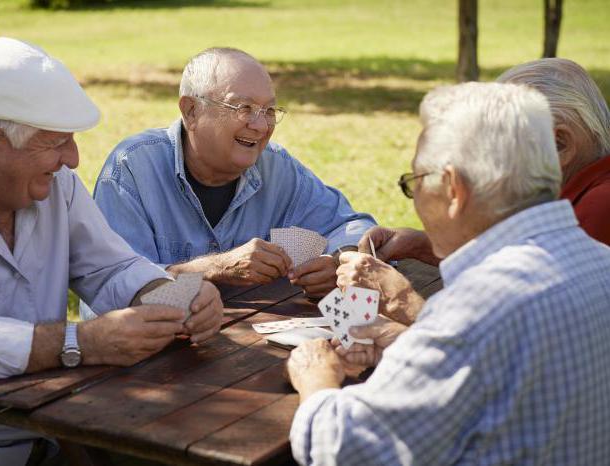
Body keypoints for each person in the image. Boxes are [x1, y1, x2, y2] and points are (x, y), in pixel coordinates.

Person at [0, 38, 223, 466]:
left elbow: (111, 267)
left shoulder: (55, 185)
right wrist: (78, 342)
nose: (73, 159)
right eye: (55, 143)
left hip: (47, 427)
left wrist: (166, 293)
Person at [287, 82, 610, 465]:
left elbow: (341, 448)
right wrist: (410, 343)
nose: (418, 201)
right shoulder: (599, 260)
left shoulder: (476, 306)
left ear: (454, 189)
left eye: (415, 183)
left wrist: (315, 375)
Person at [90, 47, 375, 298]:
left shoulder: (276, 167)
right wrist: (215, 268)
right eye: (244, 108)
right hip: (160, 352)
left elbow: (352, 227)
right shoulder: (132, 170)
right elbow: (115, 289)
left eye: (269, 110)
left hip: (252, 351)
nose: (261, 126)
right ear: (191, 111)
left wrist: (337, 261)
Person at [362, 58, 610, 265]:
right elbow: (508, 258)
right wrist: (422, 244)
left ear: (560, 145)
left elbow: (516, 296)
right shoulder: (571, 195)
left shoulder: (597, 209)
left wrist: (400, 301)